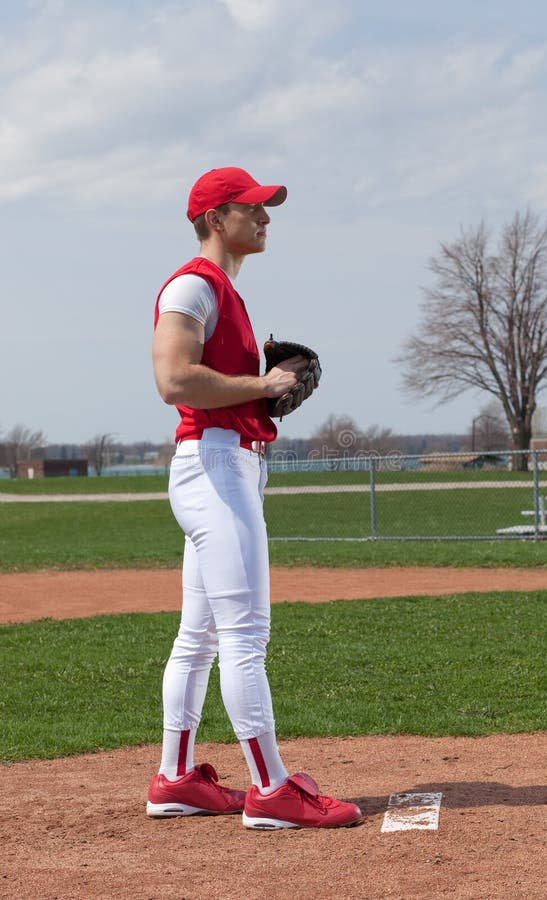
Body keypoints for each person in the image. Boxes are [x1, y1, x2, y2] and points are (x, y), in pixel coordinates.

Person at [148, 166, 362, 830]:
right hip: (215, 468)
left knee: (201, 636)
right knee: (244, 637)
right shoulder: (194, 283)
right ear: (217, 219)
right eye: (254, 209)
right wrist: (262, 387)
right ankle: (271, 789)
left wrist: (254, 376)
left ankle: (176, 779)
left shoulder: (224, 292)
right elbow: (174, 378)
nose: (266, 218)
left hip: (218, 464)